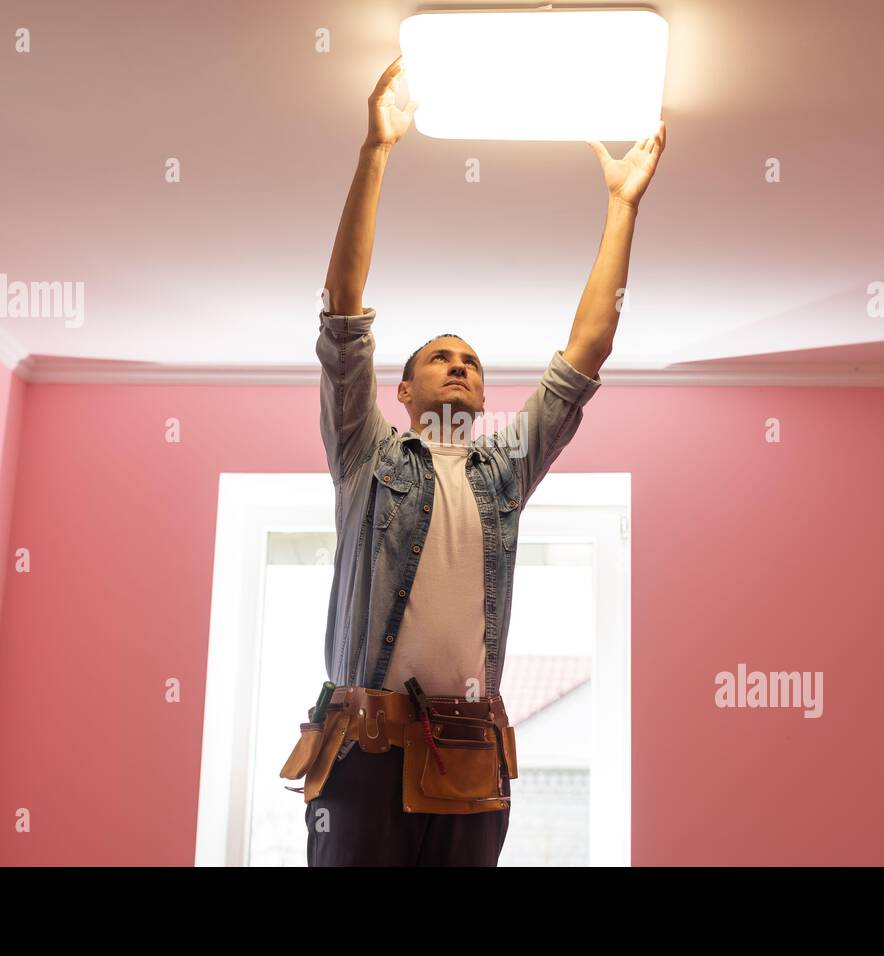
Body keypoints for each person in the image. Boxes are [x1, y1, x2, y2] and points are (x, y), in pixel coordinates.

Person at [307, 54, 665, 866]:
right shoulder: (365, 454)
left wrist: (621, 208)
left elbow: (586, 354)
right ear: (401, 390)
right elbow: (343, 316)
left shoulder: (501, 471)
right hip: (363, 750)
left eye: (470, 358)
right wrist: (377, 153)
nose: (460, 365)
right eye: (439, 357)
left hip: (469, 755)